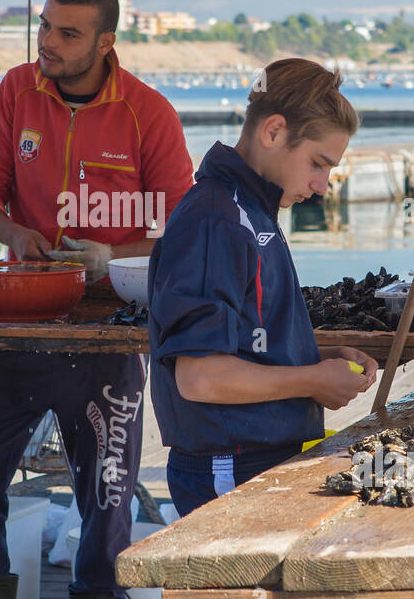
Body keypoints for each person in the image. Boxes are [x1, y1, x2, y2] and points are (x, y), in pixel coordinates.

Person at [0, 0, 194, 599]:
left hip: (107, 338)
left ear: (105, 42)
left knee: (107, 502)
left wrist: (112, 259)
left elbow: (183, 225)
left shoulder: (149, 112)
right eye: (45, 25)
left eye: (67, 33)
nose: (47, 42)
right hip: (18, 326)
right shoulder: (17, 90)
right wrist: (7, 229)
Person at [148, 59, 379, 518]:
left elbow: (246, 340)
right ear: (273, 131)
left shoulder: (252, 212)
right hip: (229, 467)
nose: (322, 184)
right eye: (318, 163)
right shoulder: (217, 220)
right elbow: (201, 377)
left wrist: (317, 355)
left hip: (260, 459)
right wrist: (312, 379)